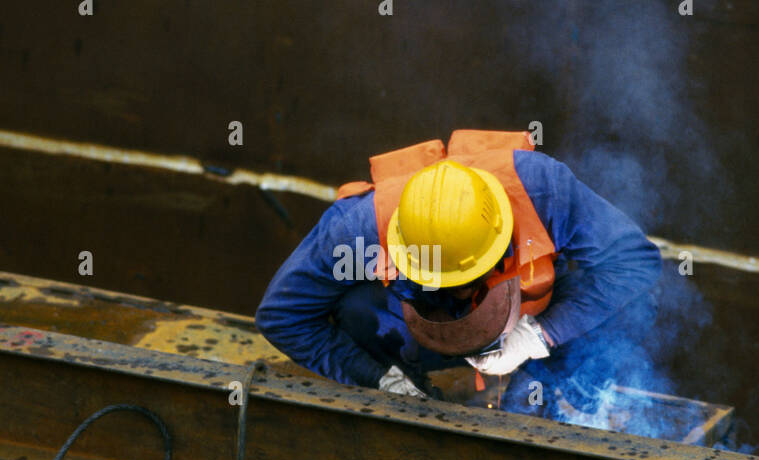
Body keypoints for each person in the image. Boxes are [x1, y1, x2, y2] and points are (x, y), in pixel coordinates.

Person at [255, 130, 662, 418]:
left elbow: (636, 261)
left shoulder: (543, 190)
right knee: (358, 307)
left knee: (631, 300)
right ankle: (413, 400)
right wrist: (374, 377)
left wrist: (540, 335)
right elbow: (281, 315)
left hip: (527, 315)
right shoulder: (358, 228)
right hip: (419, 331)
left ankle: (555, 389)